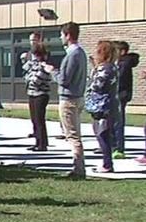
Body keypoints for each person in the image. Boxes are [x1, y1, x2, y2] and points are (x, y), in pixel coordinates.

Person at [46, 22, 88, 179]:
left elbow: (64, 79)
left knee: (73, 136)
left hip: (69, 99)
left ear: (68, 35)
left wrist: (52, 71)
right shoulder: (81, 53)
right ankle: (78, 167)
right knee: (75, 134)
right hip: (78, 97)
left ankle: (79, 169)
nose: (60, 37)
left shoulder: (72, 54)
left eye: (62, 34)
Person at [86, 40, 119, 174]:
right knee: (103, 133)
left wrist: (91, 76)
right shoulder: (112, 67)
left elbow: (97, 85)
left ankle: (107, 164)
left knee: (102, 134)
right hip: (108, 105)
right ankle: (107, 162)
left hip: (102, 106)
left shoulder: (105, 68)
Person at [22, 35, 53, 151]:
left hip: (41, 94)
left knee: (40, 119)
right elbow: (26, 75)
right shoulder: (34, 64)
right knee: (34, 119)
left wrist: (30, 76)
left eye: (36, 54)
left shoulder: (44, 66)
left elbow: (36, 80)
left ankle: (42, 144)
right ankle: (37, 141)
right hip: (32, 93)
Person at [113, 41, 140, 158]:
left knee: (118, 122)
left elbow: (119, 79)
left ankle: (119, 147)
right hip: (116, 95)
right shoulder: (119, 63)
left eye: (115, 50)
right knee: (112, 122)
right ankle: (112, 145)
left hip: (121, 95)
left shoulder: (124, 63)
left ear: (122, 51)